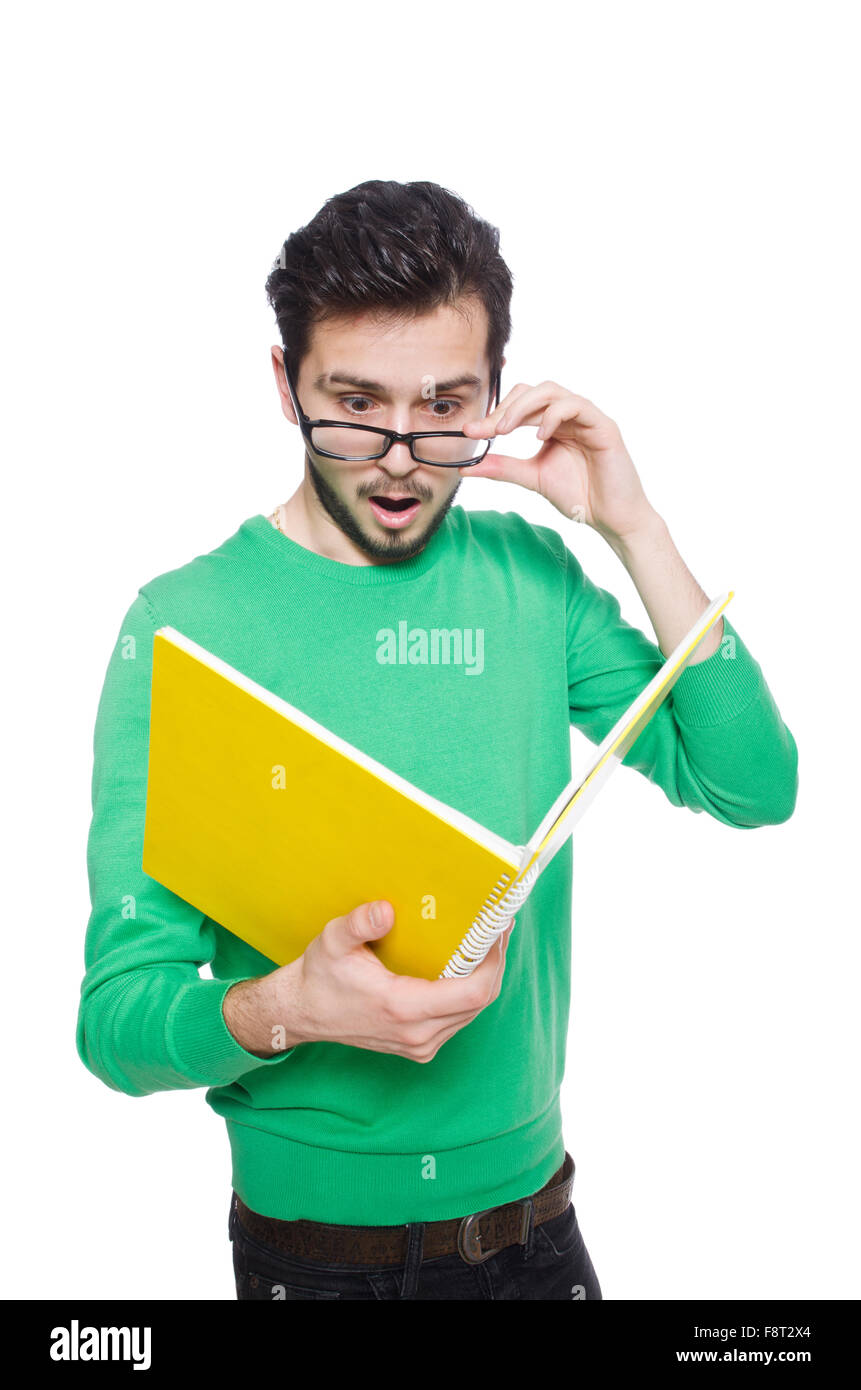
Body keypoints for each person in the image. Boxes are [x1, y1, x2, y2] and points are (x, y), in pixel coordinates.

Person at [77, 179, 799, 1301]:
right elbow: (117, 1023)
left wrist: (634, 528)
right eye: (355, 403)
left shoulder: (535, 583)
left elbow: (754, 783)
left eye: (448, 406)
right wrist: (283, 1010)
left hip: (540, 1236)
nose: (404, 459)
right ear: (285, 383)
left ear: (499, 397)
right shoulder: (181, 627)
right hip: (313, 1260)